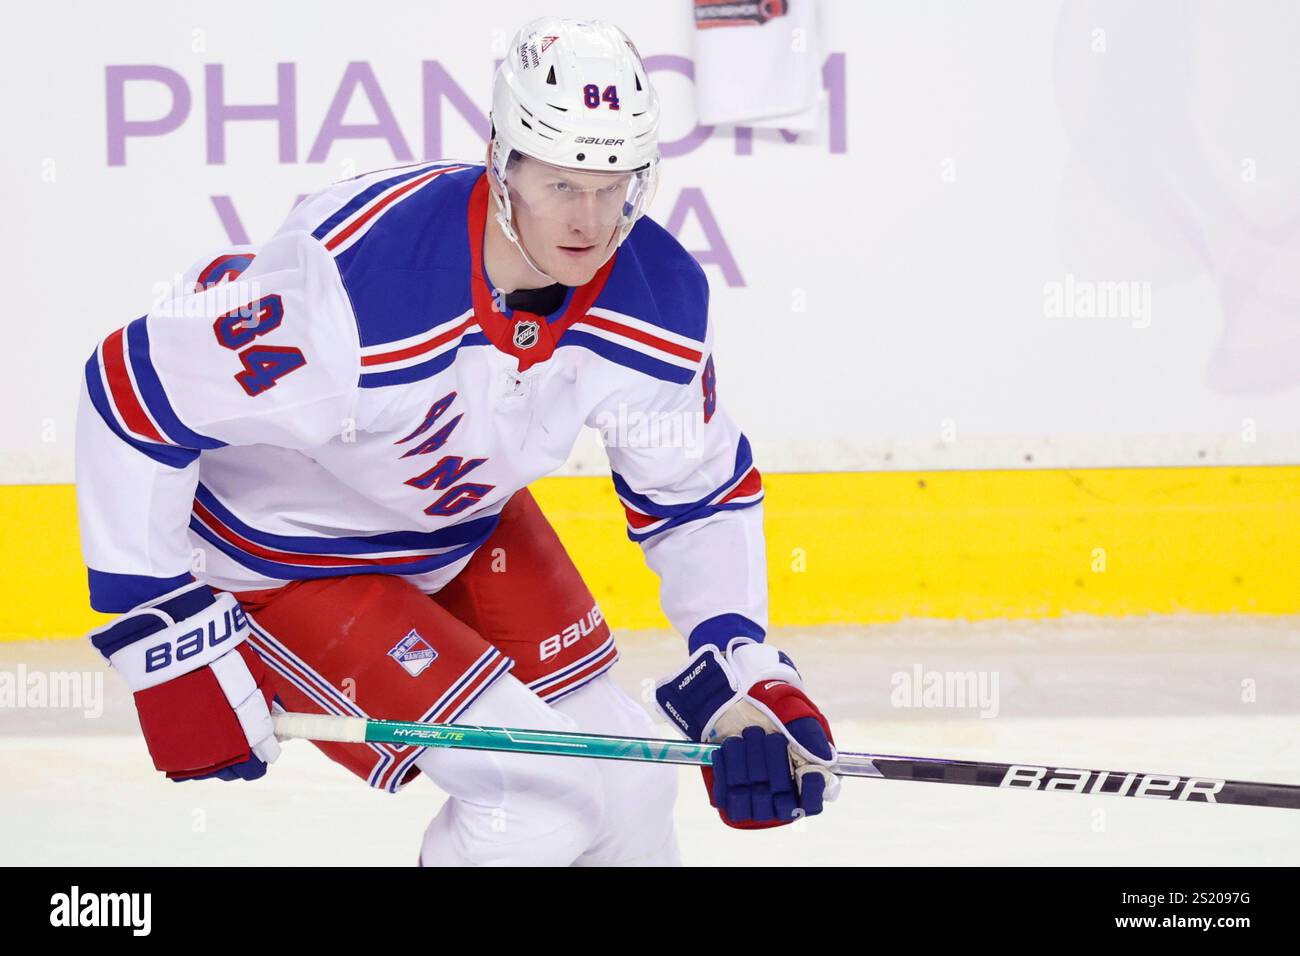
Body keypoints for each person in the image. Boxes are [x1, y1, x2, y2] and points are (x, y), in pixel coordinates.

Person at [76, 16, 837, 866]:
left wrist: (744, 671)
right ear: (501, 162)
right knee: (535, 800)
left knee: (633, 784)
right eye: (560, 183)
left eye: (613, 185)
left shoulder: (657, 298)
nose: (589, 220)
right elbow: (128, 390)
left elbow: (696, 495)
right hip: (284, 559)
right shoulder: (359, 289)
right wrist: (166, 647)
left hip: (458, 527)